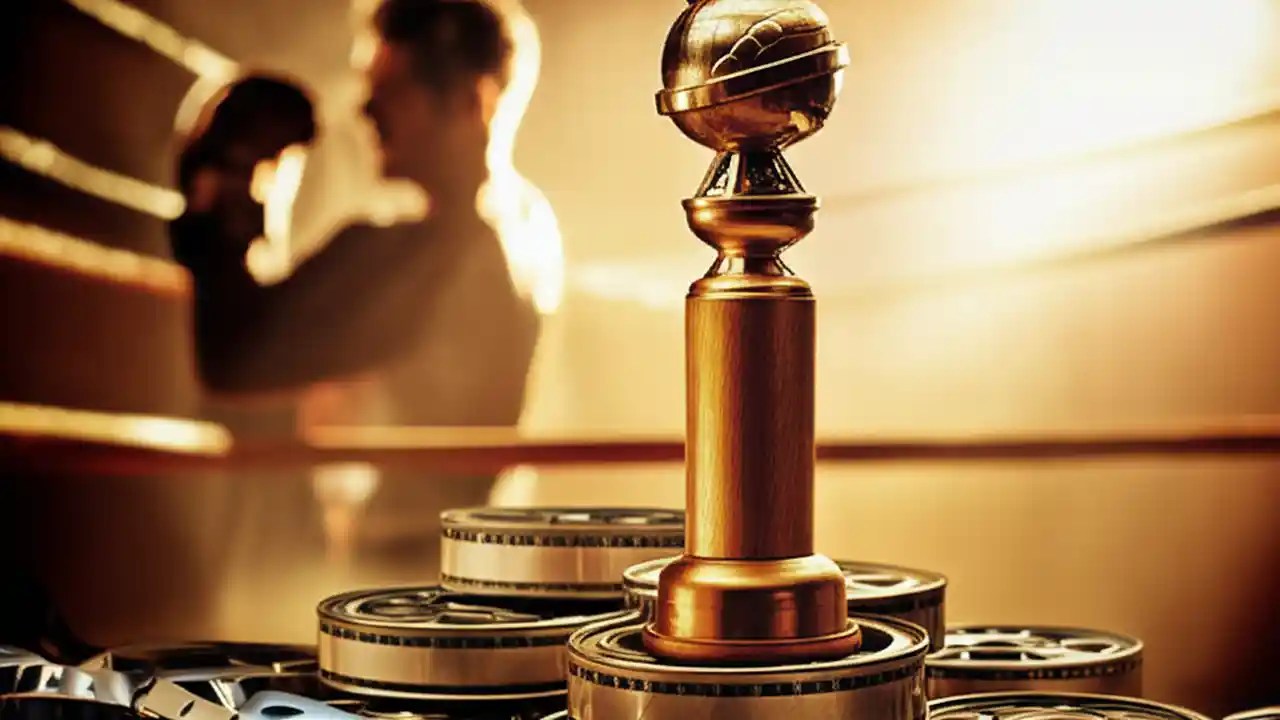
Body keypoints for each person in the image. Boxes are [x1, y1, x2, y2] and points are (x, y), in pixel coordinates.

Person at [171, 0, 540, 430]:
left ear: (469, 103)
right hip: (455, 495)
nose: (368, 111)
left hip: (410, 498)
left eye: (395, 89)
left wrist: (224, 194)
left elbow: (235, 359)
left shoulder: (429, 259)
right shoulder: (529, 232)